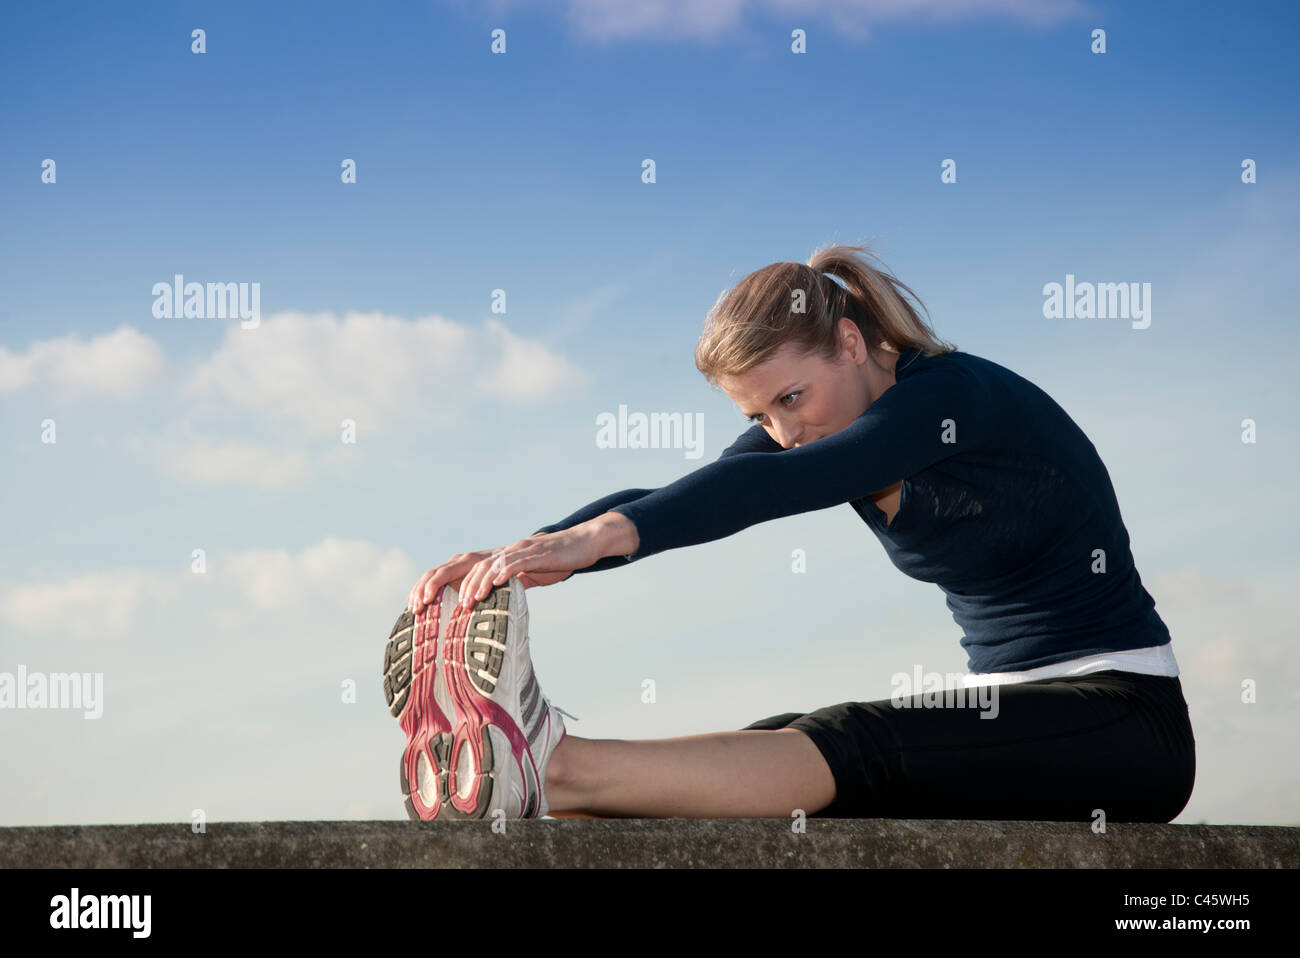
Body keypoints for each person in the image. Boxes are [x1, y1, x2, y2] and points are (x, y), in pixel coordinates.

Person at [386, 242, 1196, 823]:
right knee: (766, 751)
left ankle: (546, 764)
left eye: (793, 399)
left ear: (851, 343)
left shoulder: (948, 400)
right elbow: (700, 488)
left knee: (858, 745)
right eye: (759, 415)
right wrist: (526, 554)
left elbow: (776, 482)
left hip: (1124, 719)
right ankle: (532, 793)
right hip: (1008, 720)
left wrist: (596, 537)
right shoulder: (807, 433)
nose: (783, 431)